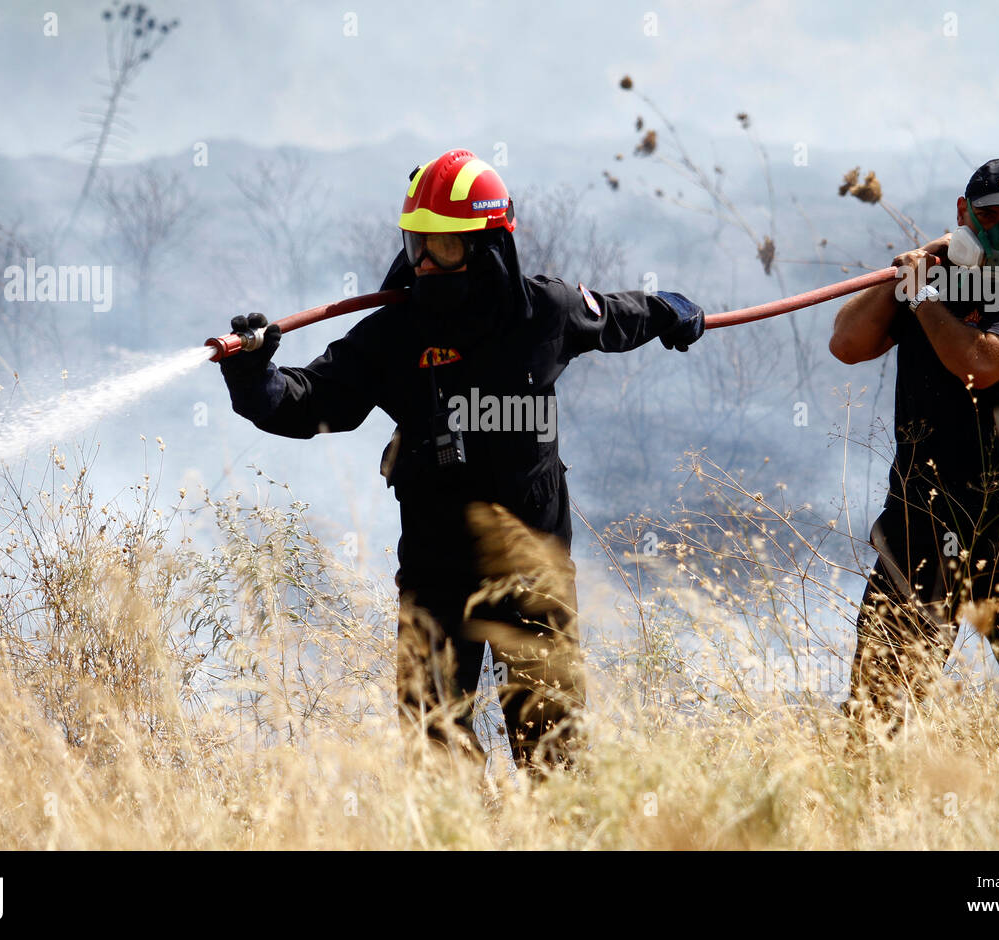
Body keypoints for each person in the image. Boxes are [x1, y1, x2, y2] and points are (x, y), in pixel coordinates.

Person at [219, 149, 704, 770]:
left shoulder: (543, 313)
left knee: (556, 755)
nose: (422, 262)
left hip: (534, 572)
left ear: (488, 247)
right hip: (436, 573)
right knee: (434, 750)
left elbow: (614, 316)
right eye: (416, 242)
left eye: (442, 248)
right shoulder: (393, 333)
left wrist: (670, 313)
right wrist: (256, 382)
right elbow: (313, 402)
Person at [829, 158, 999, 739]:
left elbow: (979, 363)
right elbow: (846, 343)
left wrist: (921, 302)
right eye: (987, 215)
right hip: (923, 521)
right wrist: (919, 266)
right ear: (963, 216)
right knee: (875, 717)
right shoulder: (931, 275)